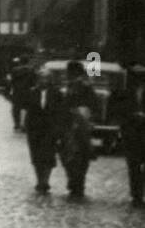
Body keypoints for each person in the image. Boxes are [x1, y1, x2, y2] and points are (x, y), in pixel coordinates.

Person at [60, 61, 97, 200]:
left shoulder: (81, 85)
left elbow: (89, 105)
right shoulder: (76, 84)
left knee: (75, 155)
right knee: (76, 155)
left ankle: (76, 184)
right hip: (75, 124)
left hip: (78, 124)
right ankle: (76, 184)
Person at [21, 67, 61, 195]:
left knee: (48, 155)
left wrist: (58, 127)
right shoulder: (32, 92)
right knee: (36, 156)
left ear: (50, 80)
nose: (44, 81)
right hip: (35, 129)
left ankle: (45, 181)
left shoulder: (56, 93)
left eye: (46, 78)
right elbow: (26, 109)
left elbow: (60, 112)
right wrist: (24, 124)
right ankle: (39, 180)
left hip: (50, 129)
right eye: (41, 78)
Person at [110, 64, 145, 208]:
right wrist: (131, 116)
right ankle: (136, 195)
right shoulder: (124, 92)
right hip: (131, 132)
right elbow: (117, 109)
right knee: (133, 165)